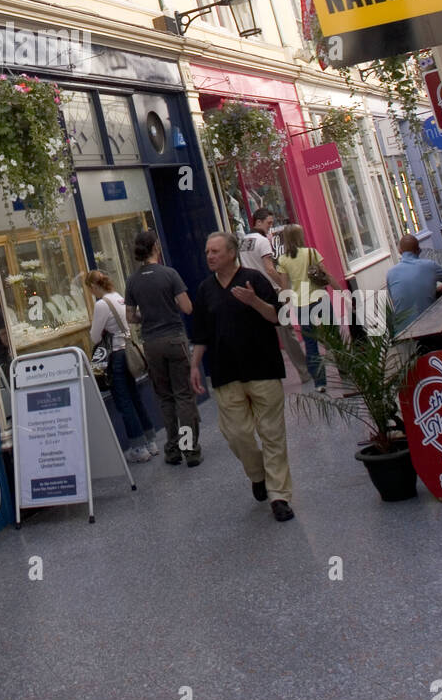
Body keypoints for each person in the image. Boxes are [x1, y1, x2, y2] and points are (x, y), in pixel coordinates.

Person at [191, 232, 294, 522]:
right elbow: (201, 333)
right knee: (236, 434)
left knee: (272, 434)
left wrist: (254, 302)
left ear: (231, 253)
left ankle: (279, 496)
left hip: (262, 367)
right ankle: (257, 473)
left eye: (215, 251)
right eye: (207, 251)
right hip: (226, 372)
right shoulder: (204, 289)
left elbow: (277, 317)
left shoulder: (254, 279)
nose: (210, 256)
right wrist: (194, 366)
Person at [124, 229, 201, 467]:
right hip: (174, 338)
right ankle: (190, 449)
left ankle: (173, 448)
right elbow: (187, 307)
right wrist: (169, 307)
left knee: (165, 397)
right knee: (184, 397)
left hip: (151, 343)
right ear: (156, 247)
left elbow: (130, 316)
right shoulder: (169, 274)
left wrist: (146, 316)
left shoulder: (132, 280)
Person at [86, 269, 158, 464]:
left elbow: (94, 336)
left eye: (90, 290)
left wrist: (100, 333)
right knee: (135, 397)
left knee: (124, 401)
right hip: (128, 352)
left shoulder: (102, 304)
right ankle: (151, 440)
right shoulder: (118, 297)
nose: (92, 293)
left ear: (93, 287)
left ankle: (138, 447)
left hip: (115, 357)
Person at [239, 207, 313, 386]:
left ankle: (267, 376)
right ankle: (304, 372)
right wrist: (284, 286)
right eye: (269, 223)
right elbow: (270, 269)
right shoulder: (263, 241)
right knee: (287, 333)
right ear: (258, 222)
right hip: (270, 291)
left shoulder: (243, 242)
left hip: (252, 292)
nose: (270, 228)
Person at [277, 225, 340, 393]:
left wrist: (287, 305)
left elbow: (284, 288)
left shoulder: (283, 260)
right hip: (320, 299)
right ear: (300, 236)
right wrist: (341, 291)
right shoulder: (312, 253)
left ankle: (320, 382)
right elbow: (327, 275)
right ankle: (346, 371)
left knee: (310, 344)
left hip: (301, 304)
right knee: (334, 336)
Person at [386, 235, 442, 337]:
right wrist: (440, 288)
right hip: (430, 329)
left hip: (402, 333)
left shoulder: (390, 274)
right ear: (419, 250)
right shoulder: (430, 265)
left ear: (400, 251)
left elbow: (396, 299)